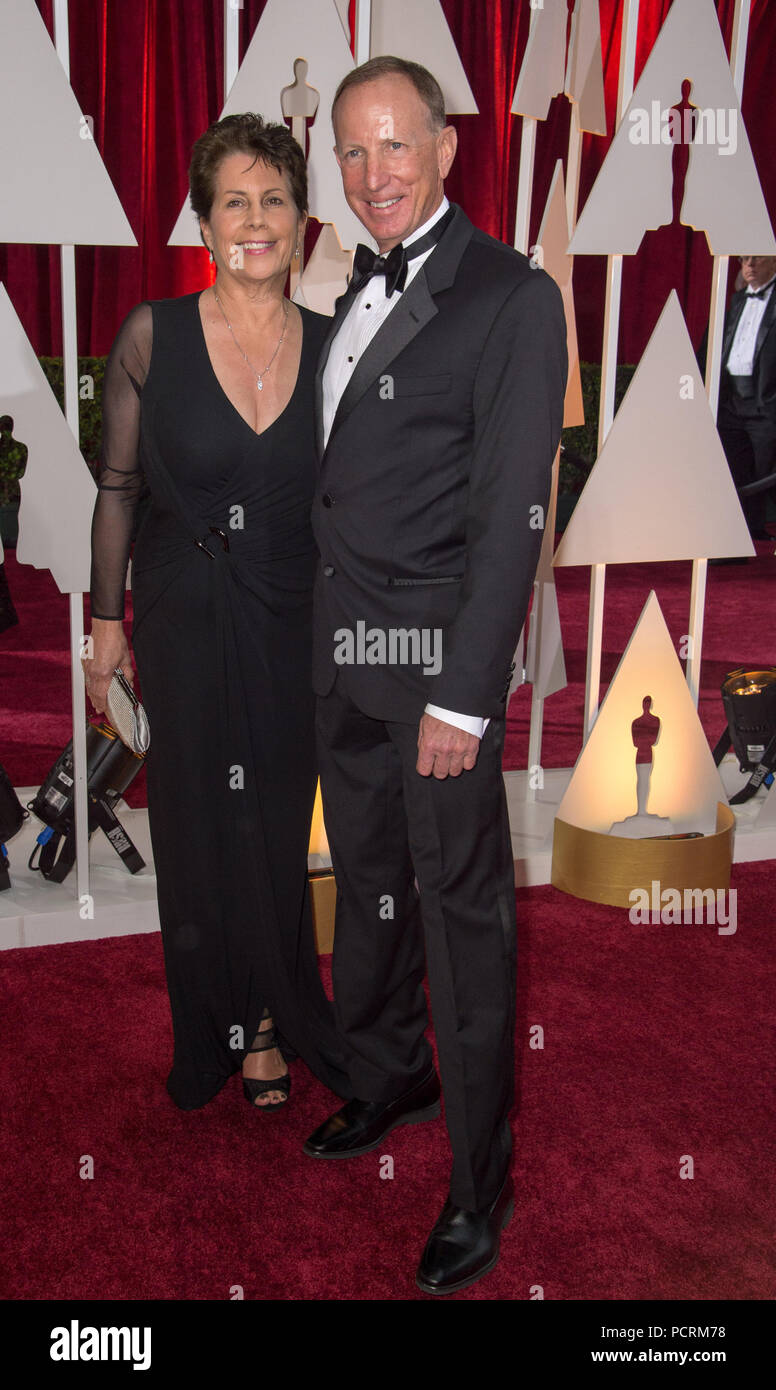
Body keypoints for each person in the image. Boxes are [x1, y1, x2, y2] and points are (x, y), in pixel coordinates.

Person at [303, 57, 567, 1295]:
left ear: (447, 146)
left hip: (432, 685)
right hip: (341, 662)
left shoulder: (512, 297)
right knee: (368, 894)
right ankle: (386, 1075)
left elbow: (511, 513)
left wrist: (464, 694)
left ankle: (479, 1183)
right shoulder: (341, 282)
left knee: (461, 929)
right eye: (350, 155)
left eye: (394, 146)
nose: (372, 177)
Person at [83, 114, 353, 1113]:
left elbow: (356, 501)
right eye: (233, 201)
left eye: (273, 199)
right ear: (202, 223)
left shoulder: (333, 350)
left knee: (276, 827)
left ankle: (276, 1020)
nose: (254, 220)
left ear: (302, 222)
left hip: (290, 616)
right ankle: (221, 1026)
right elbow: (117, 486)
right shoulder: (151, 334)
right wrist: (107, 626)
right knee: (197, 829)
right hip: (184, 611)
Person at [717, 254, 776, 541]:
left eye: (758, 259)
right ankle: (745, 532)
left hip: (767, 401)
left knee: (767, 470)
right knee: (734, 467)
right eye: (745, 259)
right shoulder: (738, 300)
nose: (750, 265)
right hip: (732, 403)